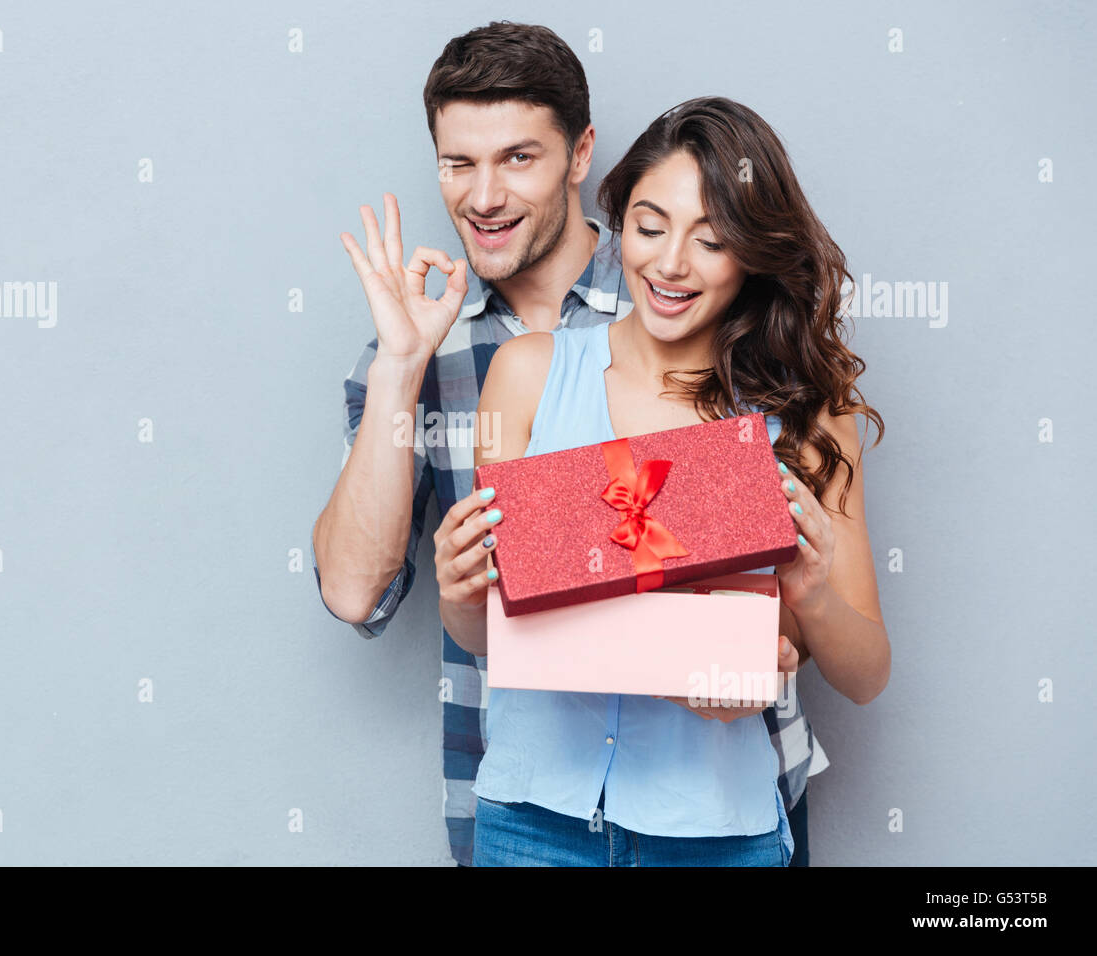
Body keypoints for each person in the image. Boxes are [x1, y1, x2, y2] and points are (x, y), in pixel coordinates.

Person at [311, 22, 828, 866]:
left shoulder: (683, 297)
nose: (482, 196)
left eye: (518, 158)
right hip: (530, 804)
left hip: (725, 797)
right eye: (458, 163)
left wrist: (774, 645)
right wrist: (402, 366)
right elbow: (354, 593)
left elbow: (782, 559)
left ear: (581, 154)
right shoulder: (419, 342)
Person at [434, 96, 891, 866]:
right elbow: (489, 634)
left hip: (714, 828)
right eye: (649, 228)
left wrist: (807, 600)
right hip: (532, 815)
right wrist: (457, 593)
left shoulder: (804, 414)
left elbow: (867, 673)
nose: (670, 264)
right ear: (620, 228)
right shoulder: (528, 374)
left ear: (752, 254)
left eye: (711, 242)